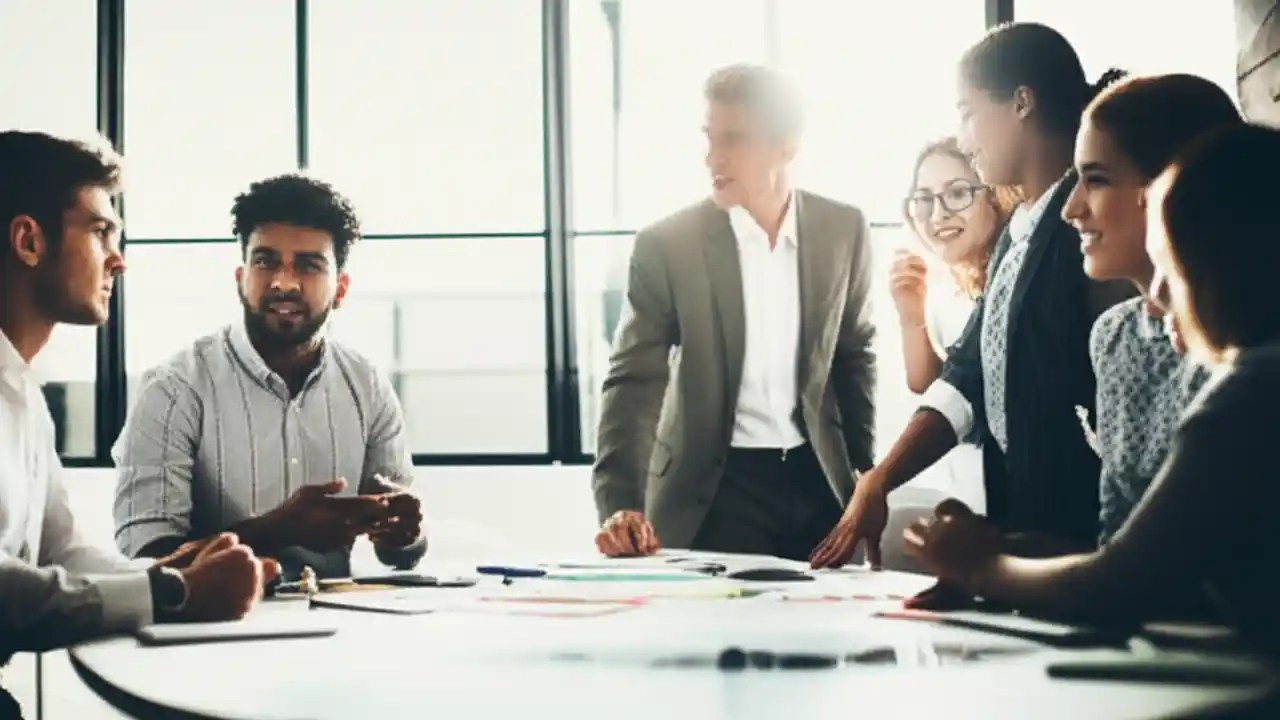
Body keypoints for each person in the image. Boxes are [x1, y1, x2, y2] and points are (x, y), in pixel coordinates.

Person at [905, 122, 1280, 661]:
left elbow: (1123, 581)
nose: (1156, 294)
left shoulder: (1253, 392)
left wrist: (981, 568)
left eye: (1173, 267)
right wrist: (1006, 551)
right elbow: (1156, 557)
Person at [811, 22, 1134, 569]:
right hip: (1027, 537)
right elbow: (968, 375)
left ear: (1022, 104)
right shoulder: (1018, 233)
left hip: (1087, 550)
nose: (963, 138)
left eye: (967, 111)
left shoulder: (1088, 233)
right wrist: (880, 481)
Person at [0, 130, 275, 658]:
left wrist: (170, 571)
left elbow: (63, 551)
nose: (118, 260)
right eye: (101, 231)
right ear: (29, 242)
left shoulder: (25, 395)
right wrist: (173, 592)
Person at [592, 64, 876, 561]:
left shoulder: (843, 230)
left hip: (818, 487)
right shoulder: (668, 245)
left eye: (733, 140)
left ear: (786, 145)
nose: (712, 158)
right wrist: (621, 505)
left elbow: (855, 356)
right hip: (716, 493)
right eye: (709, 138)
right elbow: (633, 382)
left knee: (826, 636)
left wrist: (864, 477)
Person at [113, 174, 425, 579]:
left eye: (309, 266)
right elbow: (146, 560)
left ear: (341, 289)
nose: (284, 282)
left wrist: (404, 535)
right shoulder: (174, 387)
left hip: (340, 626)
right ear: (241, 278)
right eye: (266, 261)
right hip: (206, 633)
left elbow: (400, 554)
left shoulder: (367, 385)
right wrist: (279, 529)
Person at [1062, 74, 1240, 542]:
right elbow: (1116, 539)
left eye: (1095, 180)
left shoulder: (1248, 347)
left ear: (1173, 187)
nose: (1071, 208)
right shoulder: (1113, 338)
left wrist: (990, 571)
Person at [892, 137, 1019, 513]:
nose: (938, 215)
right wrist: (910, 313)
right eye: (924, 199)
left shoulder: (1014, 275)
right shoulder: (951, 289)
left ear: (995, 195)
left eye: (958, 193)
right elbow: (931, 386)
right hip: (969, 490)